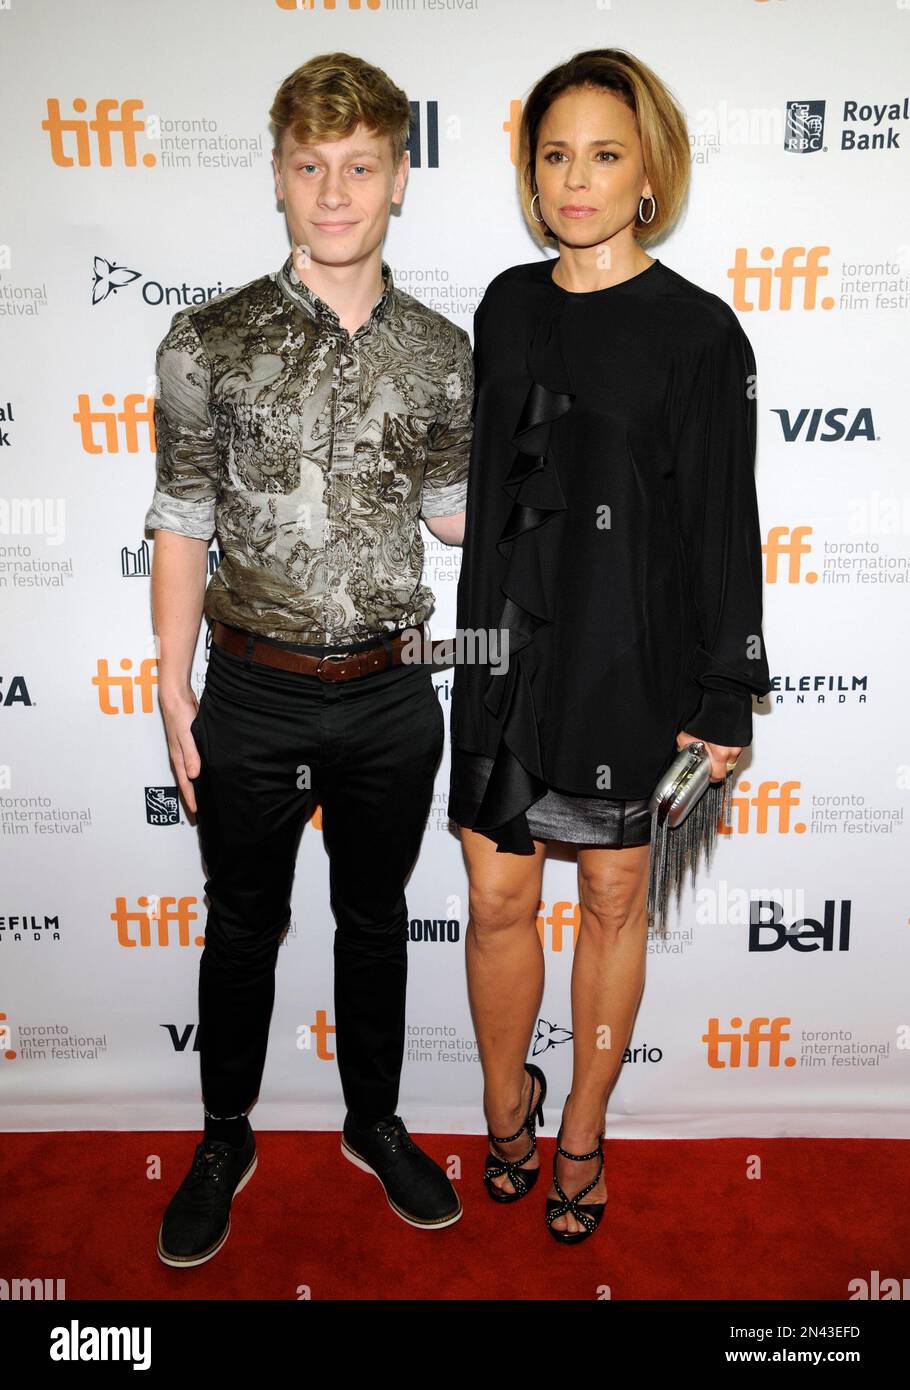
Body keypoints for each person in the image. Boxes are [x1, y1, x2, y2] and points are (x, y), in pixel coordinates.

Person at [146, 52, 472, 1267]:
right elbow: (181, 519)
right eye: (309, 167)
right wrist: (170, 686)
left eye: (360, 167)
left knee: (374, 917)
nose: (334, 192)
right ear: (279, 178)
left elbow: (450, 512)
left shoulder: (443, 351)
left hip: (393, 691)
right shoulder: (208, 341)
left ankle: (373, 1122)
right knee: (241, 922)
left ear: (398, 178)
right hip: (253, 691)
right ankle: (225, 1132)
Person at [447, 49, 772, 1243]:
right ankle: (503, 1100)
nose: (573, 180)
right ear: (529, 171)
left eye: (603, 154)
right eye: (552, 153)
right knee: (493, 899)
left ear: (647, 174)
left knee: (614, 896)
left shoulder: (698, 333)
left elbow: (720, 524)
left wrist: (723, 689)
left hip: (630, 658)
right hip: (501, 651)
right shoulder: (502, 304)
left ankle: (581, 1123)